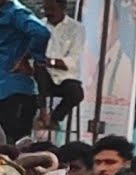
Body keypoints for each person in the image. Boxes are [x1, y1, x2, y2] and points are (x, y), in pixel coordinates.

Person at [0, 0, 50, 143]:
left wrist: (26, 58)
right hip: (0, 92)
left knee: (13, 144)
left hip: (17, 92)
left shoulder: (16, 12)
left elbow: (41, 32)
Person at [35, 0, 84, 131]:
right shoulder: (39, 25)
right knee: (39, 71)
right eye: (46, 9)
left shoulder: (76, 28)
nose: (48, 13)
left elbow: (72, 60)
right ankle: (42, 112)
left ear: (63, 8)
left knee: (76, 93)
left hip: (65, 77)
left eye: (52, 9)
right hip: (42, 76)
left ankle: (55, 118)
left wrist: (50, 62)